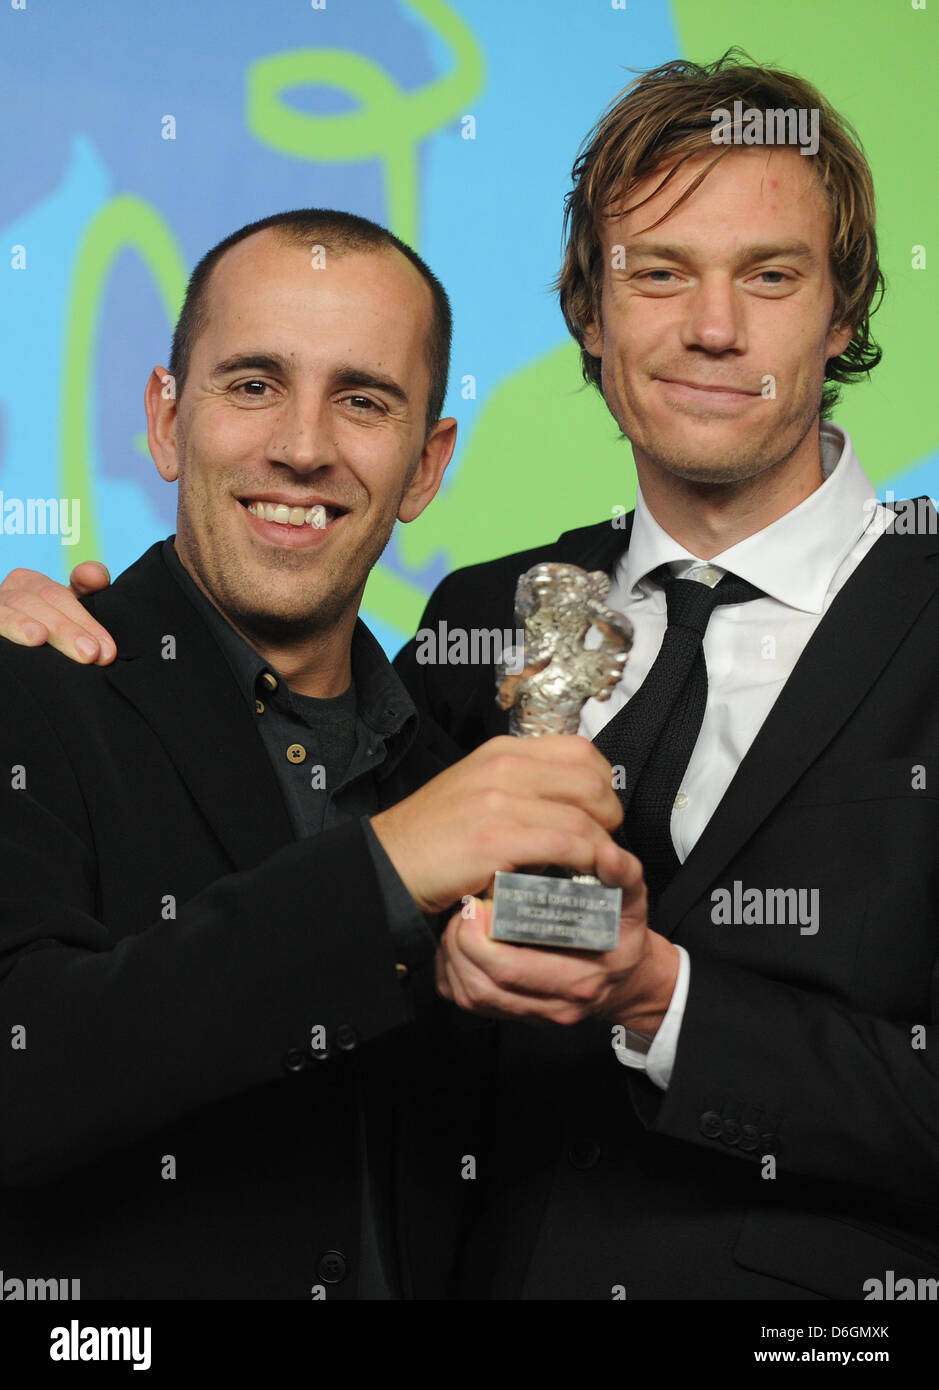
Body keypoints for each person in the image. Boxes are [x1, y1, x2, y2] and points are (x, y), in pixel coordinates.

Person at [6, 54, 938, 1302]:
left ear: (842, 311)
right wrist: (74, 625)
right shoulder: (481, 623)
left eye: (770, 274)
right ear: (590, 315)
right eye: (657, 271)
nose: (713, 326)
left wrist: (666, 996)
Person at [0, 208, 634, 1300]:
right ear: (165, 420)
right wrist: (382, 874)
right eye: (252, 383)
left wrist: (614, 981)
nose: (302, 444)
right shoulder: (26, 686)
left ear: (428, 464)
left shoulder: (455, 773)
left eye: (363, 398)